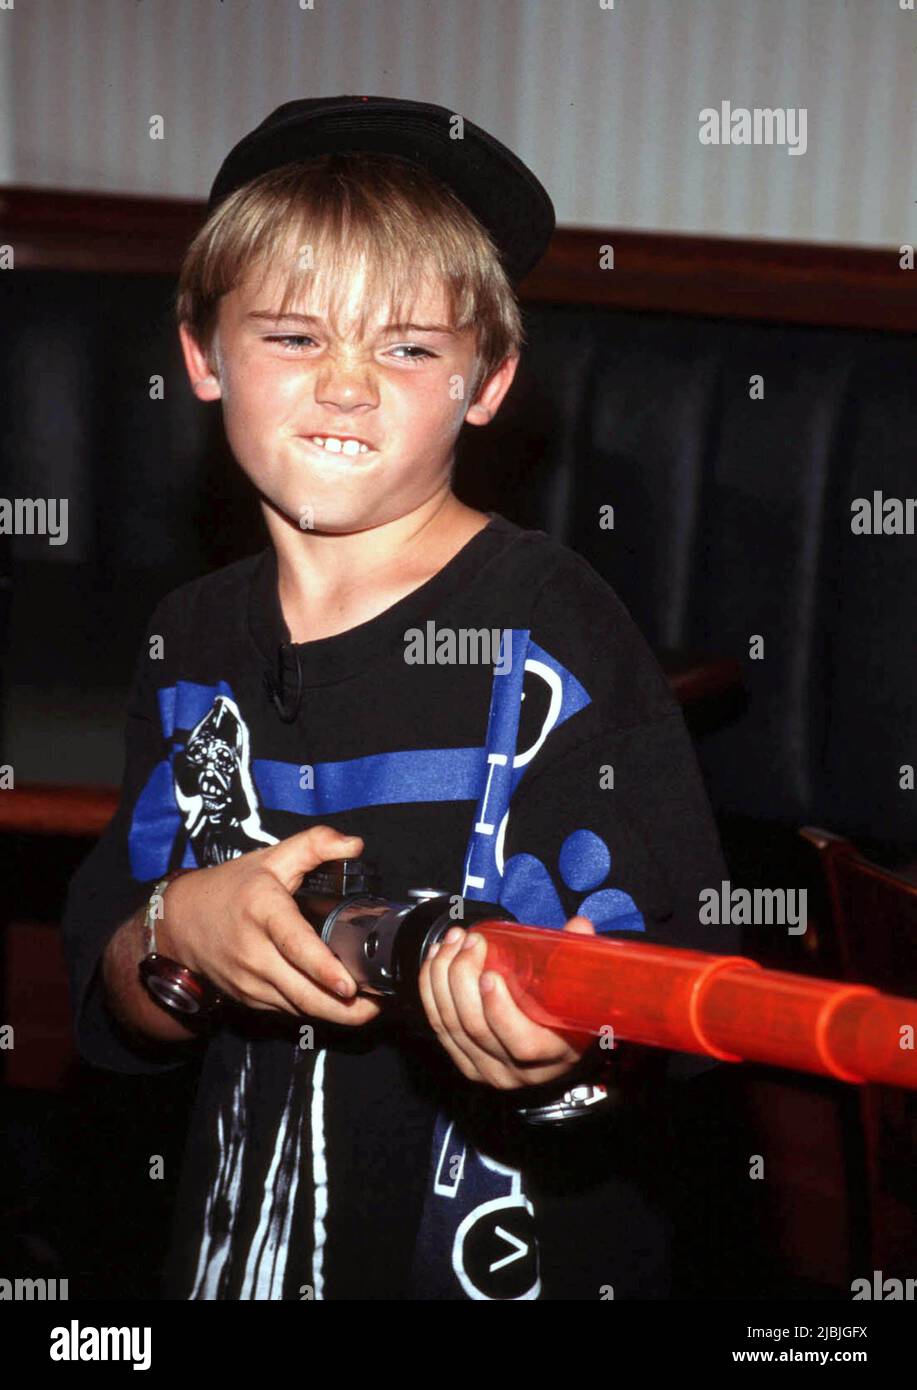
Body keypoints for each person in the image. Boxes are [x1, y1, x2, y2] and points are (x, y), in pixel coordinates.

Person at [60, 96, 739, 1301]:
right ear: (203, 357)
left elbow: (672, 995)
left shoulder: (553, 625)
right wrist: (176, 935)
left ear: (485, 381)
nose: (347, 386)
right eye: (293, 337)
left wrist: (560, 1048)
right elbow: (115, 1004)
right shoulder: (189, 636)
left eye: (408, 347)